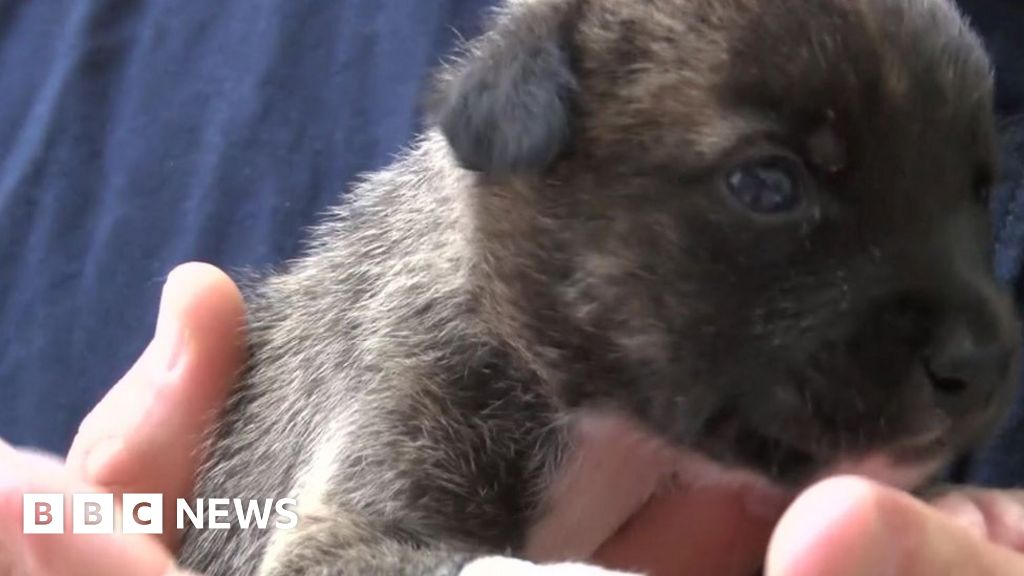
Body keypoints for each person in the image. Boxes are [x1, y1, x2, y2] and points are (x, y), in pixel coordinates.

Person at [1, 1, 1023, 574]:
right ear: (527, 160)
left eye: (971, 197)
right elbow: (330, 557)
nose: (968, 338)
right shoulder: (439, 362)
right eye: (769, 186)